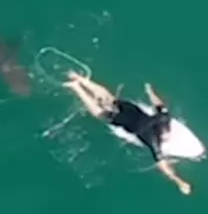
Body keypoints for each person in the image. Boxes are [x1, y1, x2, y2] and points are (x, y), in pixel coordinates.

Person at [62, 71, 193, 195]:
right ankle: (76, 87)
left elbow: (159, 105)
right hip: (127, 122)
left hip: (132, 109)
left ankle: (80, 79)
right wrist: (179, 182)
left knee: (110, 99)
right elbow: (163, 167)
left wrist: (149, 91)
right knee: (100, 113)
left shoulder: (164, 119)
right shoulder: (154, 142)